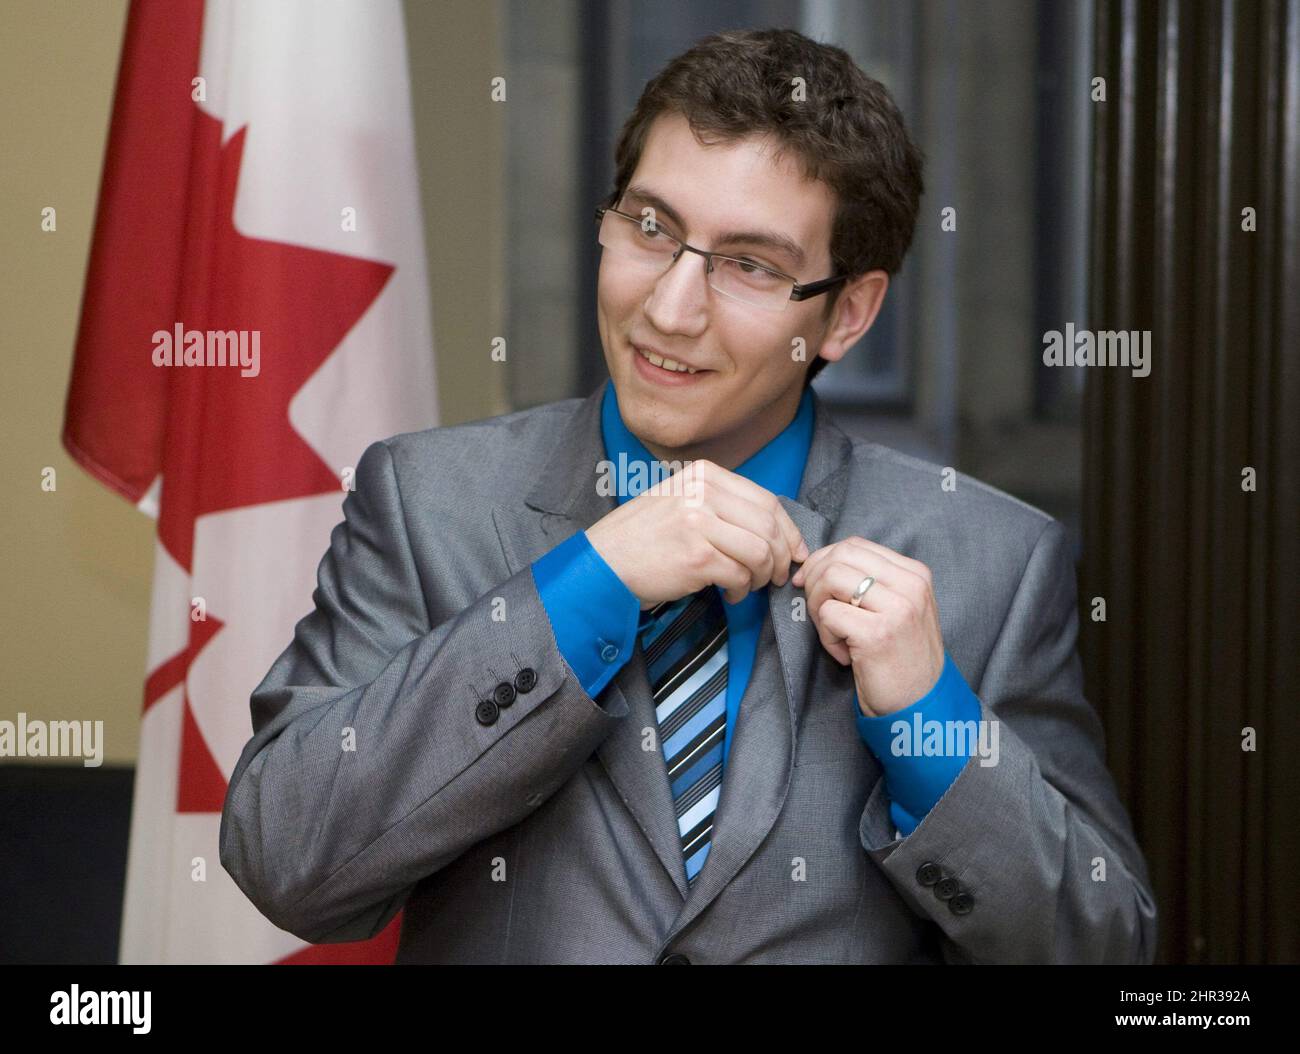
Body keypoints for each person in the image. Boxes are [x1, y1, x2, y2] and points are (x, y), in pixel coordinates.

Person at [220, 27, 1158, 964]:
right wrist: (588, 582)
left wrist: (930, 719)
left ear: (849, 314)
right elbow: (283, 857)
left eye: (750, 265)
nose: (669, 308)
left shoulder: (993, 560)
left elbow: (1103, 947)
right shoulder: (429, 501)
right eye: (651, 228)